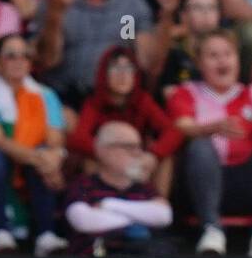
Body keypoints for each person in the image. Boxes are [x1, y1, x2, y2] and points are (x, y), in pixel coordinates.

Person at [168, 28, 252, 257]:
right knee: (200, 145)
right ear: (199, 62)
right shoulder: (186, 93)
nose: (222, 61)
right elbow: (182, 128)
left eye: (227, 54)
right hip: (201, 181)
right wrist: (212, 128)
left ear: (237, 58)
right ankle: (211, 229)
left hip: (248, 183)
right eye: (213, 55)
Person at [0, 33, 70, 256]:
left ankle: (46, 235)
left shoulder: (46, 95)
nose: (19, 61)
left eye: (25, 56)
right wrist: (42, 161)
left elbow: (55, 139)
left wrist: (52, 158)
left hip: (32, 164)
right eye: (10, 56)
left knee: (49, 153)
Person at [32, 0, 155, 109]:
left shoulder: (130, 6)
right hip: (66, 100)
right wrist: (55, 15)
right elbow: (48, 61)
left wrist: (166, 19)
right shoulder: (56, 2)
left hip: (118, 101)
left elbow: (147, 63)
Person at [67, 44, 183, 197]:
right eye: (116, 69)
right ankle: (101, 202)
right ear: (104, 75)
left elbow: (173, 132)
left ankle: (158, 207)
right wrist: (110, 154)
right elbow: (79, 138)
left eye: (129, 69)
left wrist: (153, 155)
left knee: (165, 159)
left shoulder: (142, 100)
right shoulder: (94, 103)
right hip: (106, 161)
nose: (123, 75)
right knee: (89, 161)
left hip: (136, 161)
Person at [63, 120, 174, 256]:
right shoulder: (83, 185)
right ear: (103, 150)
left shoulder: (144, 188)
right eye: (129, 147)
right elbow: (82, 220)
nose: (137, 153)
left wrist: (108, 205)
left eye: (139, 146)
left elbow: (164, 216)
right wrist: (140, 219)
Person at [151, 0, 220, 95]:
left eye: (212, 7)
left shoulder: (228, 52)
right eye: (198, 7)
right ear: (183, 15)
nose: (206, 13)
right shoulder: (173, 54)